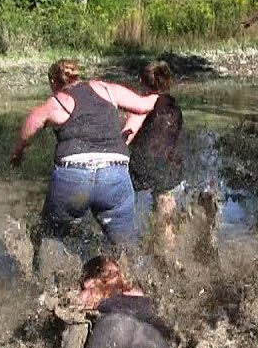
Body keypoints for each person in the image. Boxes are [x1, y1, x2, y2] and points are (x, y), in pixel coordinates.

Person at [10, 59, 159, 254]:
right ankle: (136, 272)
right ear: (78, 75)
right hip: (114, 175)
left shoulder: (56, 102)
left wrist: (18, 153)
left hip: (73, 177)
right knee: (126, 246)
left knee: (50, 236)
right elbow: (143, 105)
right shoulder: (106, 89)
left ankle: (46, 271)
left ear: (53, 82)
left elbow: (30, 125)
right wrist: (160, 96)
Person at [123, 61, 185, 252]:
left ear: (141, 81)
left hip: (143, 168)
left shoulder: (143, 105)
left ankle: (134, 251)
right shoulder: (174, 107)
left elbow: (127, 135)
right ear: (168, 81)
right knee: (166, 219)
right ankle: (169, 255)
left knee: (132, 215)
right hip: (170, 168)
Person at [76, 255, 174, 348]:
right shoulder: (139, 294)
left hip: (116, 327)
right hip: (156, 343)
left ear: (89, 283)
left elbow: (76, 305)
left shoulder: (92, 294)